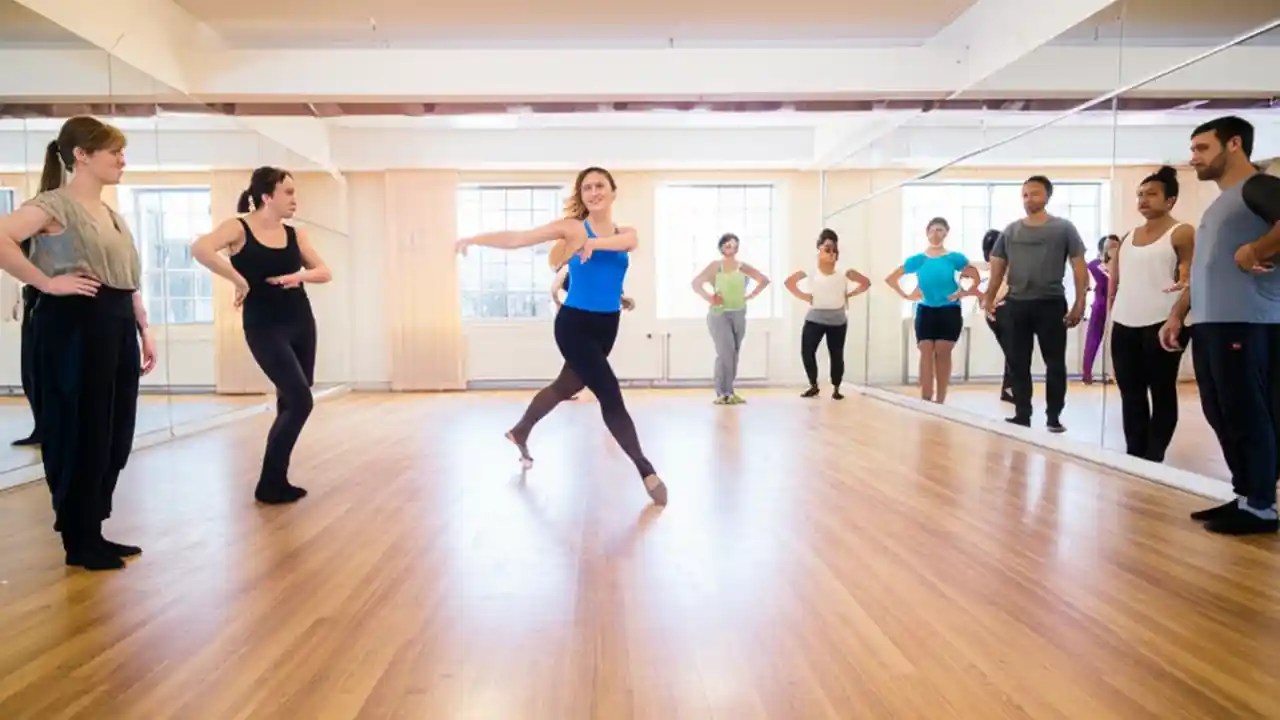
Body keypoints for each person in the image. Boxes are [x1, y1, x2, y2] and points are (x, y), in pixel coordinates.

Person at [456, 166, 667, 506]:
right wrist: (474, 239)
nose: (594, 192)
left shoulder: (625, 231)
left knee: (566, 386)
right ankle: (646, 471)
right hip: (574, 324)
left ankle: (521, 430)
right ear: (582, 196)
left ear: (613, 192)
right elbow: (518, 238)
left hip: (607, 325)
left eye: (600, 186)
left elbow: (627, 244)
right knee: (609, 394)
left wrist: (594, 248)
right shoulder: (571, 228)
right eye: (587, 188)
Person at [0, 116, 157, 571]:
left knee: (113, 432)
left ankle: (93, 528)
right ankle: (78, 537)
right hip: (74, 327)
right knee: (79, 430)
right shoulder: (53, 205)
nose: (122, 160)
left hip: (114, 323)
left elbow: (125, 278)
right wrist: (46, 283)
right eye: (114, 152)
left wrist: (142, 325)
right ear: (81, 156)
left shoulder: (111, 215)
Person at [1161, 116, 1280, 535]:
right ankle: (1247, 495)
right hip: (1213, 322)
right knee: (1220, 411)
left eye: (1201, 148)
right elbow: (1206, 271)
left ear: (1233, 144)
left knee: (1247, 413)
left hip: (1247, 321)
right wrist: (1178, 312)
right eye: (1192, 149)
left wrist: (1256, 249)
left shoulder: (1259, 187)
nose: (1193, 158)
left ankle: (1262, 506)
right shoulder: (1221, 203)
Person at [192, 167, 332, 505]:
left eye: (294, 193)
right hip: (263, 325)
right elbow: (201, 249)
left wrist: (293, 277)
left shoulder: (296, 235)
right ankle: (269, 481)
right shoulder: (238, 228)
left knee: (291, 399)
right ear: (266, 196)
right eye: (287, 193)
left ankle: (275, 481)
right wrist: (238, 280)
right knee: (301, 400)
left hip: (300, 320)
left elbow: (324, 272)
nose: (294, 199)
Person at [983, 175, 1088, 433]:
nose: (1030, 199)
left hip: (1050, 304)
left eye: (1035, 193)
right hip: (1017, 304)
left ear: (1047, 196)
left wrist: (1080, 303)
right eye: (1025, 195)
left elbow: (1079, 267)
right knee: (1018, 362)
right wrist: (988, 298)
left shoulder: (1064, 228)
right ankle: (1022, 414)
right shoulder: (1011, 230)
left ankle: (1053, 416)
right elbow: (997, 267)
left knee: (1055, 362)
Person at [1108, 166, 1194, 462]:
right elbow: (1116, 280)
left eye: (1151, 194)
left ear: (1170, 200)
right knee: (1130, 393)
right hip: (1125, 322)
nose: (1143, 200)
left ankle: (1154, 455)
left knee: (1161, 390)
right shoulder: (1129, 235)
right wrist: (1110, 313)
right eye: (1140, 195)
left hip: (1162, 322)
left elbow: (1189, 272)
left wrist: (1178, 312)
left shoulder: (1182, 231)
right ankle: (1135, 455)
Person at [885, 217, 980, 404]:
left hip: (949, 310)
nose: (935, 234)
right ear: (927, 232)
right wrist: (906, 295)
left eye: (940, 230)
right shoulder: (918, 260)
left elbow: (975, 276)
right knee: (926, 349)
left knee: (943, 351)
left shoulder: (955, 258)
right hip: (926, 309)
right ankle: (925, 399)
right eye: (932, 230)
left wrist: (963, 293)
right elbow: (891, 278)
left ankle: (941, 399)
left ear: (946, 233)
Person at [783, 229, 870, 399]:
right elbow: (789, 282)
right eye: (827, 249)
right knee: (807, 352)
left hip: (837, 320)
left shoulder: (844, 270)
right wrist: (805, 296)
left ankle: (836, 388)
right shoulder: (811, 269)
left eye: (834, 250)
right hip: (815, 318)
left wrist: (849, 295)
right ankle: (813, 385)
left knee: (836, 354)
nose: (831, 253)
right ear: (819, 249)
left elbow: (865, 283)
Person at [690, 232, 771, 404]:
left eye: (734, 245)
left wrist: (751, 296)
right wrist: (710, 298)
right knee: (725, 352)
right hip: (719, 314)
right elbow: (696, 283)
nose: (731, 248)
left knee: (734, 353)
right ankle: (722, 392)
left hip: (739, 313)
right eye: (727, 245)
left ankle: (730, 391)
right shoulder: (715, 266)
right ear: (721, 247)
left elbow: (763, 280)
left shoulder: (742, 267)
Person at [550, 262, 635, 401]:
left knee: (577, 366)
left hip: (595, 322)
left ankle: (566, 388)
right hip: (575, 322)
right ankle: (569, 388)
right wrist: (560, 305)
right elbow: (554, 290)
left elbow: (605, 290)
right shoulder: (569, 268)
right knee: (582, 365)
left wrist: (622, 299)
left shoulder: (595, 270)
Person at [978, 229, 1014, 403]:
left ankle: (1009, 389)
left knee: (1014, 351)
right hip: (1000, 310)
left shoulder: (1002, 265)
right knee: (1015, 352)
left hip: (999, 310)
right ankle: (1010, 389)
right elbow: (998, 289)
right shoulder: (1001, 266)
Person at [13, 245, 42, 447]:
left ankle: (48, 429)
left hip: (46, 301)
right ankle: (41, 428)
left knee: (39, 372)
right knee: (30, 373)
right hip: (33, 298)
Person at [1082, 235, 1119, 384]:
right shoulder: (1094, 265)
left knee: (1117, 341)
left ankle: (1115, 374)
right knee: (1093, 338)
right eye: (1110, 247)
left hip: (1118, 304)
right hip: (1100, 304)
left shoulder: (1121, 265)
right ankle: (1087, 374)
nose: (1113, 250)